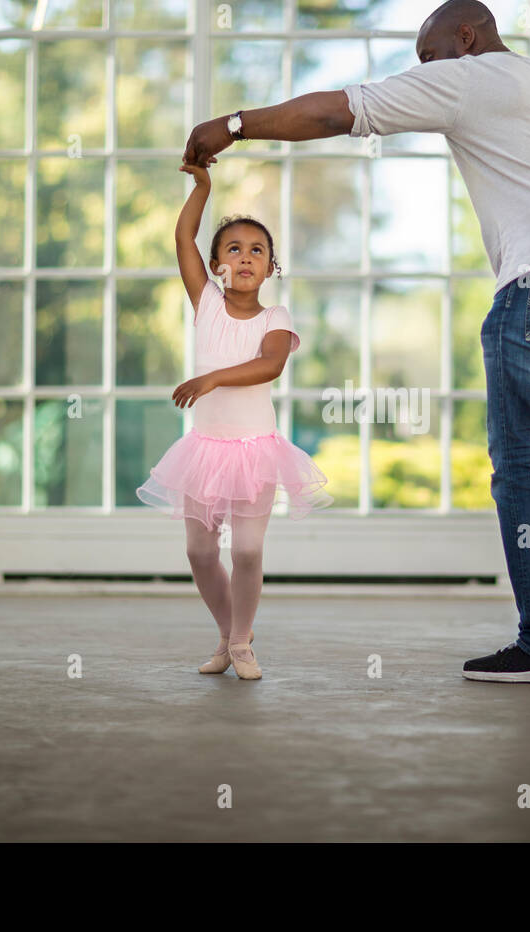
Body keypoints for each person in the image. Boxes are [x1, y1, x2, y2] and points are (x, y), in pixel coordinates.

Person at [183, 0, 530, 686]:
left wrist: (233, 125)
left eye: (429, 56)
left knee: (524, 462)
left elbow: (335, 112)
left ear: (466, 37)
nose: (424, 72)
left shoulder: (466, 76)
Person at [136, 161, 333, 680]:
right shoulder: (205, 302)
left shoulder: (277, 318)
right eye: (232, 249)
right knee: (201, 551)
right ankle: (228, 635)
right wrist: (202, 187)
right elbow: (182, 237)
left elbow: (270, 364)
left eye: (257, 251)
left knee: (247, 549)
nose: (245, 258)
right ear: (217, 264)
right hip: (205, 449)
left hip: (255, 450)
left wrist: (210, 379)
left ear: (271, 267)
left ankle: (242, 642)